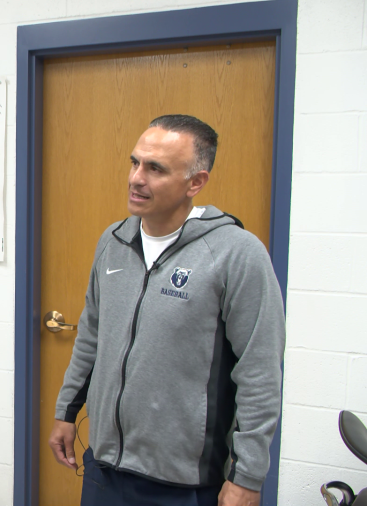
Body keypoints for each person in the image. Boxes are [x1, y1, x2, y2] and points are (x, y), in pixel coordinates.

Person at [48, 115, 285, 506]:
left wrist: (247, 476)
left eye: (155, 168)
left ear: (195, 182)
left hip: (184, 484)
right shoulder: (113, 241)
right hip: (104, 471)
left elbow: (260, 372)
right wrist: (65, 412)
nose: (136, 178)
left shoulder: (235, 253)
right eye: (135, 162)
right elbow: (92, 336)